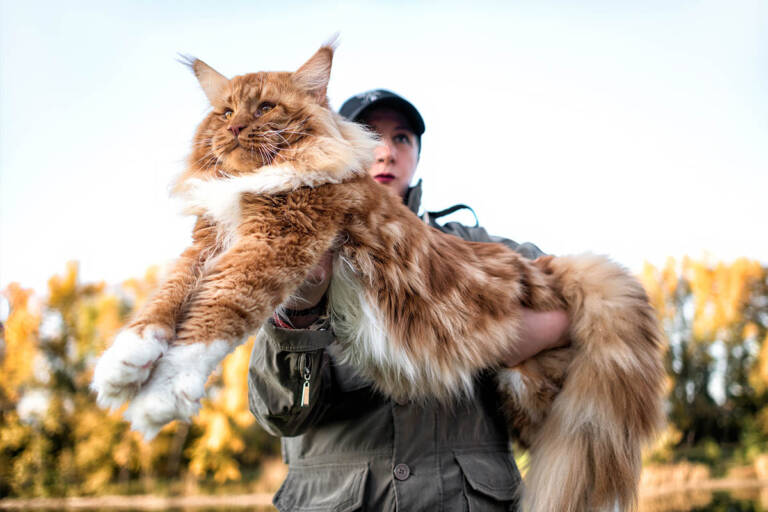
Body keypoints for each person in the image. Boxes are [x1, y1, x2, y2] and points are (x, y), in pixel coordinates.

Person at [247, 90, 569, 511]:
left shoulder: (472, 243)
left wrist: (536, 332)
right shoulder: (294, 243)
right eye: (367, 136)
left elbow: (580, 294)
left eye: (402, 139)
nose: (385, 153)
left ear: (416, 155)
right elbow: (282, 413)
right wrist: (301, 312)